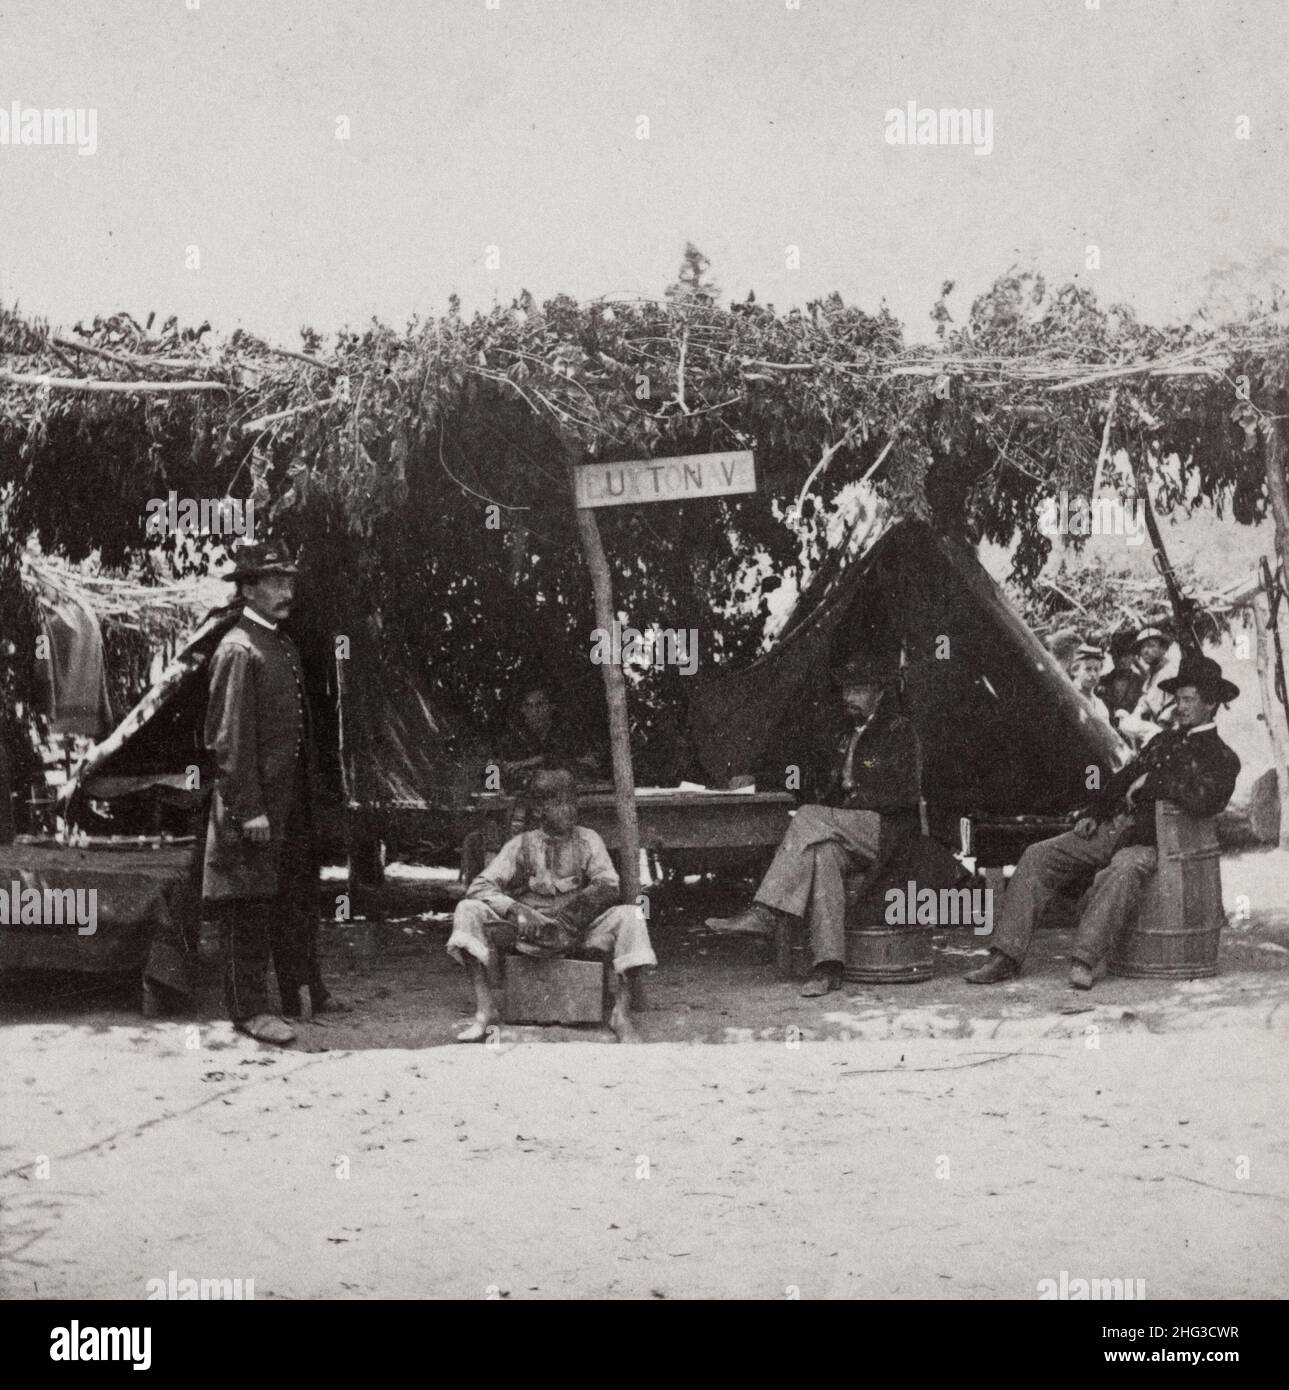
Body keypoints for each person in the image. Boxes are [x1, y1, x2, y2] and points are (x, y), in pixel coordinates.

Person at [965, 653, 1240, 990]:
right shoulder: (1163, 740)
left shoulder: (1222, 757)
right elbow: (1122, 779)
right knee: (1039, 854)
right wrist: (1096, 812)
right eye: (1178, 699)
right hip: (1116, 828)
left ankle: (1085, 959)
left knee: (1123, 868)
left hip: (1159, 844)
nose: (1179, 707)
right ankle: (1005, 955)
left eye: (1188, 700)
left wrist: (1151, 784)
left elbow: (1207, 800)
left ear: (1210, 704)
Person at [705, 653, 919, 998]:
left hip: (888, 833)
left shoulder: (898, 732)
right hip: (846, 833)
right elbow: (806, 778)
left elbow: (905, 796)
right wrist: (758, 780)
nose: (849, 698)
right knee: (822, 853)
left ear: (879, 694)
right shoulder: (842, 735)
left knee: (808, 817)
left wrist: (848, 805)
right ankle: (828, 967)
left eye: (859, 690)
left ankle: (765, 912)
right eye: (846, 690)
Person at [202, 540, 347, 1045]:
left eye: (290, 582)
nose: (287, 591)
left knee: (291, 899)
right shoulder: (238, 649)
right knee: (247, 908)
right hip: (254, 811)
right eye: (275, 582)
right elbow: (228, 740)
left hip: (288, 808)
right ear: (247, 589)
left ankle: (301, 990)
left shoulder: (280, 644)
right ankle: (249, 1011)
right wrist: (249, 810)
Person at [446, 768, 656, 1043]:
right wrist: (517, 911)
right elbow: (480, 887)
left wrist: (569, 921)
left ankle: (621, 1014)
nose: (570, 811)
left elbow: (608, 885)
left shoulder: (588, 839)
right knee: (467, 910)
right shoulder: (520, 845)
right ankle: (485, 1010)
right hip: (527, 932)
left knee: (632, 916)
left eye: (573, 802)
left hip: (578, 929)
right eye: (559, 804)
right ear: (539, 811)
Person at [496, 683, 600, 787]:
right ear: (522, 709)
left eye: (540, 705)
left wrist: (525, 763)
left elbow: (561, 757)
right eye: (528, 706)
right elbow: (507, 766)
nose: (534, 711)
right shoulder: (517, 735)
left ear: (551, 707)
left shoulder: (566, 729)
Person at [1098, 626, 1172, 745]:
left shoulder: (1171, 672)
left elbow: (1171, 711)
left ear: (1163, 649)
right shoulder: (1149, 676)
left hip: (1164, 735)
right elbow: (1144, 703)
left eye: (1151, 645)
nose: (1145, 651)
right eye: (1142, 647)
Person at [1069, 641, 1112, 723]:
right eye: (1088, 669)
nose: (1093, 674)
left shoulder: (1100, 706)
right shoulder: (1069, 696)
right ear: (1075, 670)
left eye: (1096, 669)